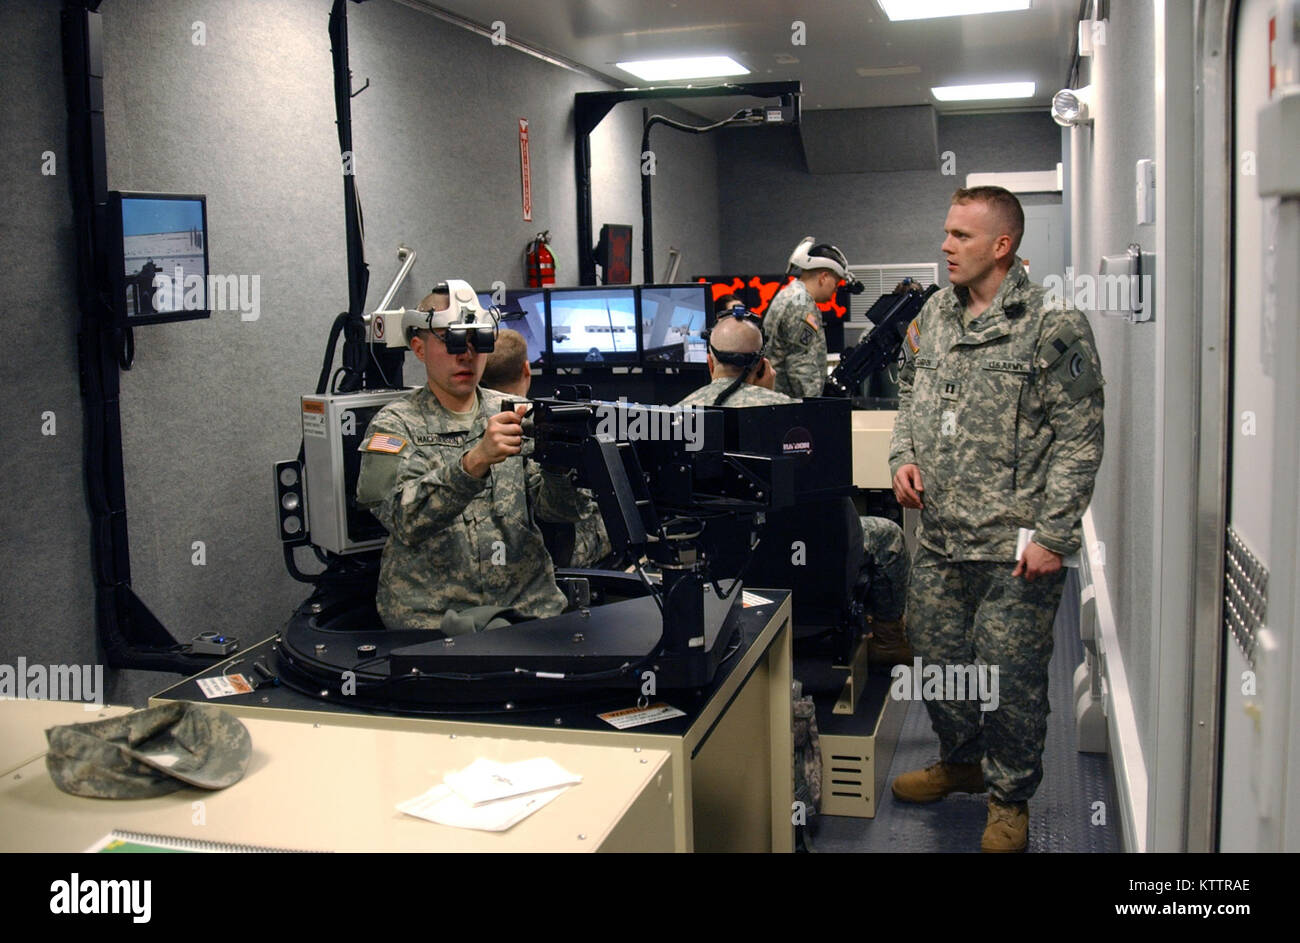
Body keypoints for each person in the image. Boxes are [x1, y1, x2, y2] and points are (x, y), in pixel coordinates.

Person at [888, 186, 1105, 852]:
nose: (946, 246)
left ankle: (1010, 797)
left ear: (1001, 246)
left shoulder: (1051, 322)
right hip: (941, 539)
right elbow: (907, 389)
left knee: (1011, 676)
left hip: (1017, 546)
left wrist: (1056, 535)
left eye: (961, 236)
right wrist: (902, 455)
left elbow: (1081, 433)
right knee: (934, 655)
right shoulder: (932, 315)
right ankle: (961, 761)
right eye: (946, 233)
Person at [675, 310, 910, 658]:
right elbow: (832, 501)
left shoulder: (676, 416)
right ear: (762, 365)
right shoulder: (796, 415)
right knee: (890, 535)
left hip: (719, 568)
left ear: (709, 360)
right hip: (808, 563)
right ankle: (889, 642)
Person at [355, 281, 585, 634]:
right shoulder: (392, 426)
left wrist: (560, 465)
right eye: (452, 341)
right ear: (418, 347)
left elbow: (559, 512)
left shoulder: (514, 412)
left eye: (478, 340)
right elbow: (402, 520)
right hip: (434, 619)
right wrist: (473, 462)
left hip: (526, 609)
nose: (466, 355)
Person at [479, 329, 613, 569]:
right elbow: (570, 508)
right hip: (557, 557)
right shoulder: (552, 423)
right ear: (526, 370)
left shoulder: (472, 425)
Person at [763, 238, 854, 398]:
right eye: (836, 283)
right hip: (789, 404)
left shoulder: (792, 295)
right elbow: (800, 363)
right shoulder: (802, 304)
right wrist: (814, 406)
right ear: (824, 277)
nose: (835, 290)